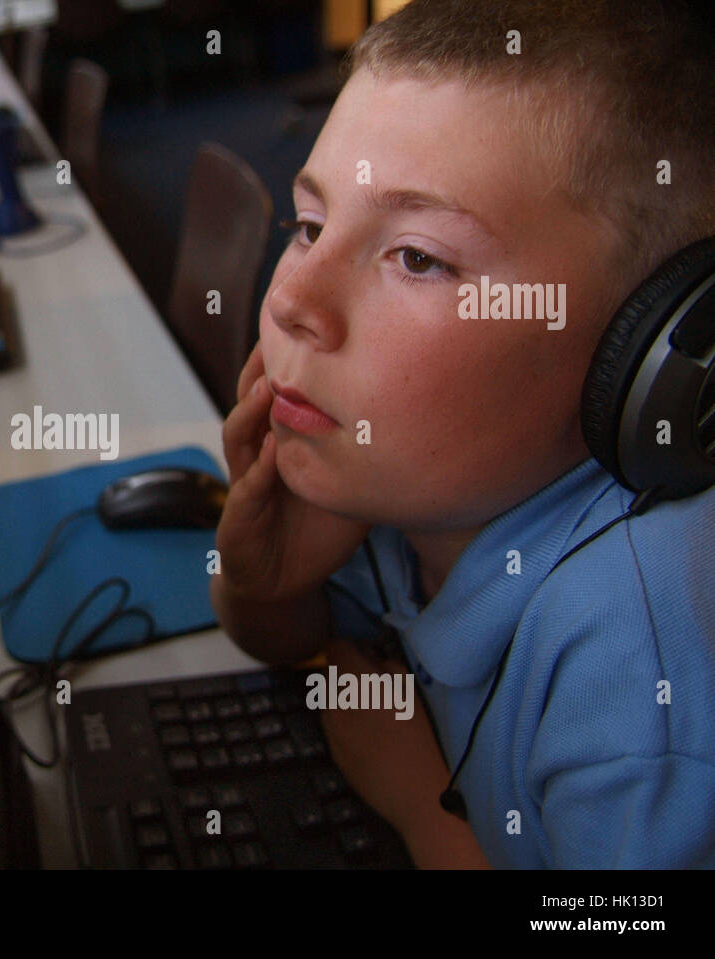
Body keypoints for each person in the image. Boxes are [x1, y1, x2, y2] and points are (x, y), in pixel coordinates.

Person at [210, 0, 715, 868]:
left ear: (653, 346)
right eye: (310, 226)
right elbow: (290, 641)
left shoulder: (642, 662)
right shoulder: (427, 486)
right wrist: (268, 582)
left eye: (418, 257)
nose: (292, 301)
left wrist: (424, 816)